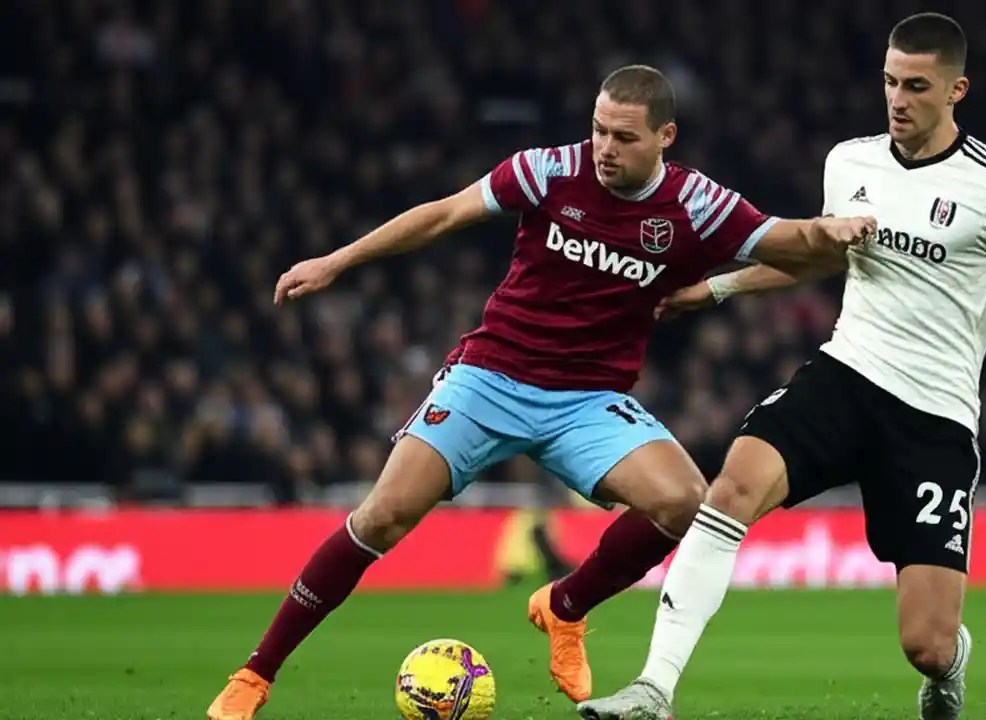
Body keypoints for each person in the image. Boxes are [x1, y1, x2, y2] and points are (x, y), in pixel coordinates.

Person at [205, 64, 874, 720]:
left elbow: (796, 246)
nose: (605, 149)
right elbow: (443, 215)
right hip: (490, 376)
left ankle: (565, 606)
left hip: (588, 400)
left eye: (624, 137)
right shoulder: (549, 170)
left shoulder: (698, 205)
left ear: (665, 137)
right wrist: (336, 261)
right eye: (599, 130)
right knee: (382, 515)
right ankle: (255, 674)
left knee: (683, 502)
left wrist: (820, 237)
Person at [578, 14, 986, 720]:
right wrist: (717, 285)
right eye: (888, 82)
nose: (897, 99)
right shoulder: (851, 162)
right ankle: (653, 689)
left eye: (916, 86)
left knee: (925, 645)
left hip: (933, 417)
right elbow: (819, 255)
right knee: (731, 490)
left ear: (955, 90)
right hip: (845, 375)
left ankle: (952, 663)